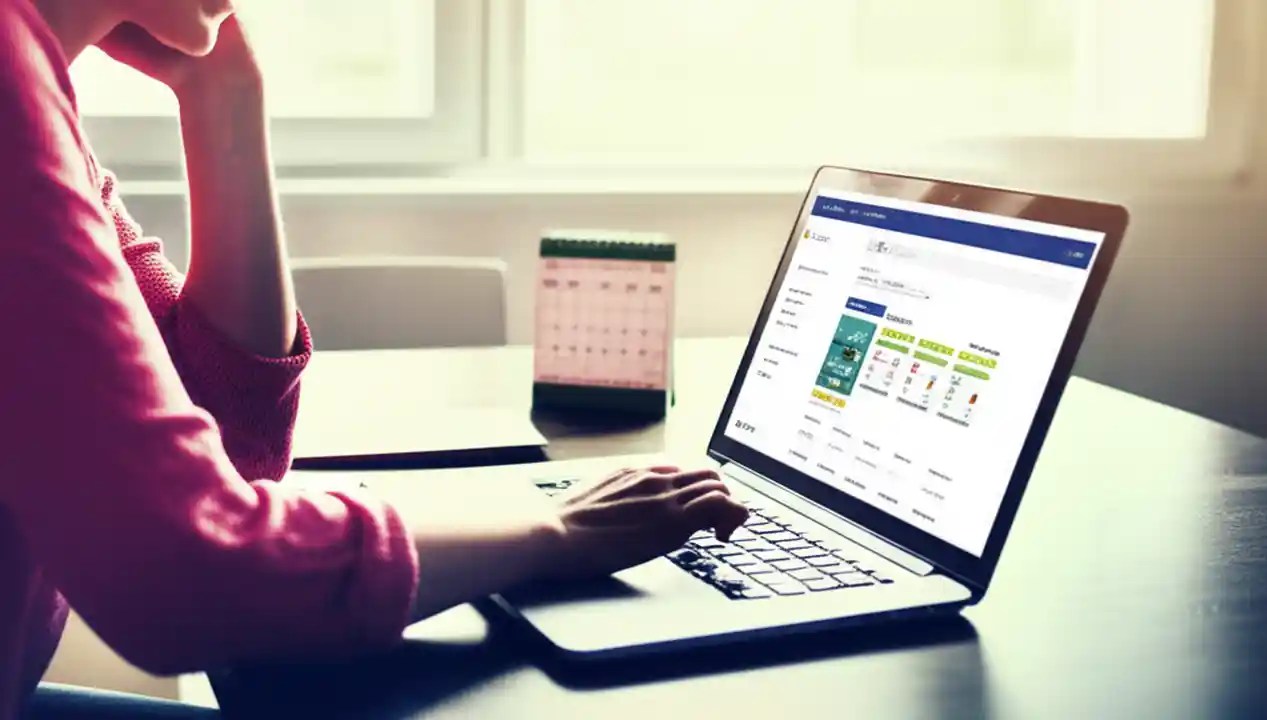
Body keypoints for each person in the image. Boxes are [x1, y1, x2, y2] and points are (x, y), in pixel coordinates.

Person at [0, 1, 749, 716]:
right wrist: (550, 531)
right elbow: (187, 573)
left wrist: (224, 91)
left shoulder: (34, 86)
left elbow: (229, 443)